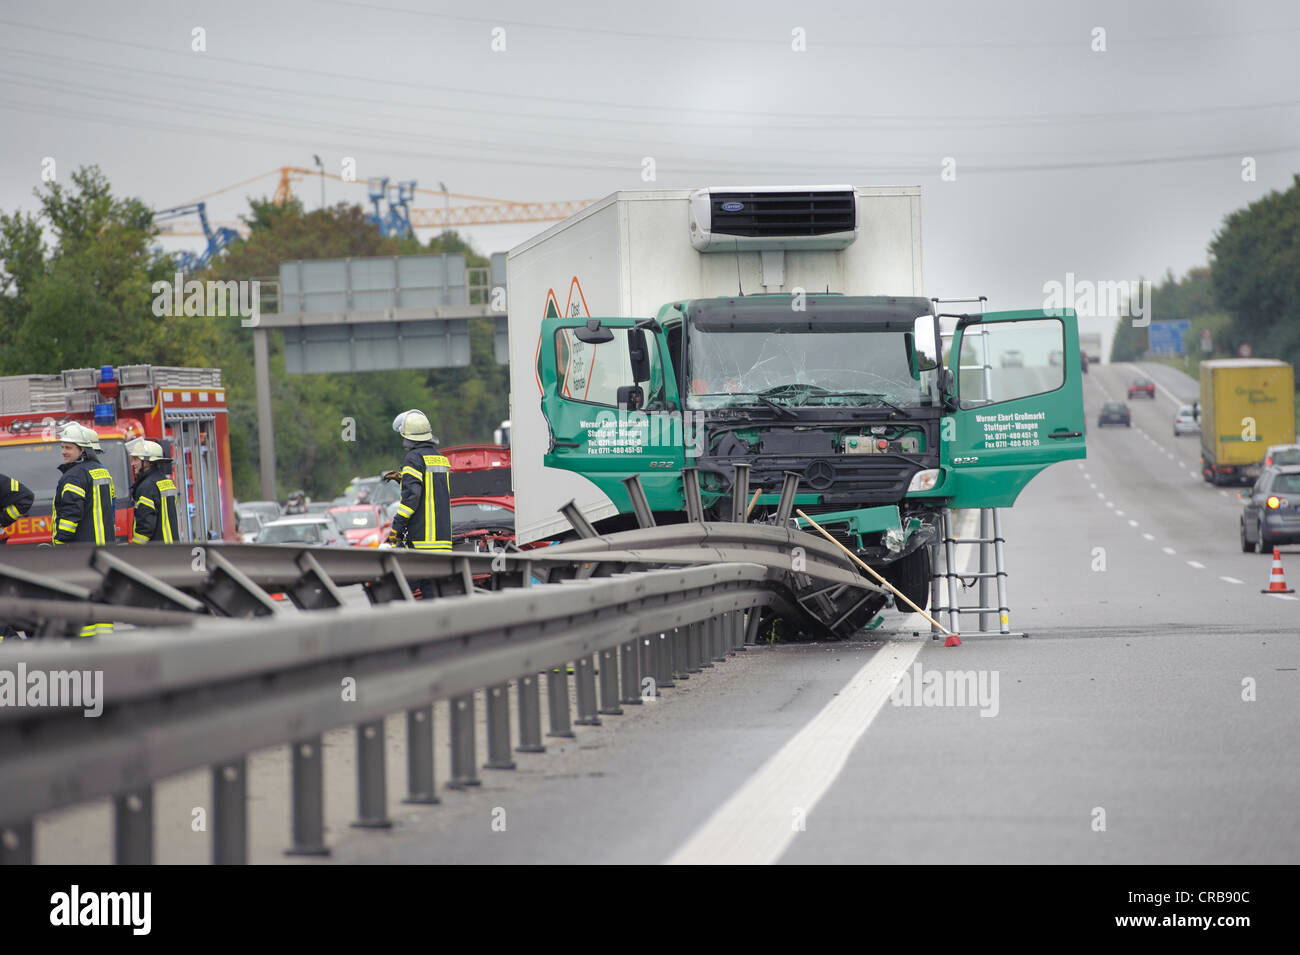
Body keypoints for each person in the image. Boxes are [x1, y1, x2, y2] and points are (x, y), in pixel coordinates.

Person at [52, 423, 115, 638]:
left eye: (68, 447)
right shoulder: (103, 472)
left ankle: (86, 644)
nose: (63, 452)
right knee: (101, 596)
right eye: (63, 447)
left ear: (82, 450)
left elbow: (70, 516)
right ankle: (105, 641)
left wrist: (59, 544)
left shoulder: (74, 476)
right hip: (104, 550)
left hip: (81, 551)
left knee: (83, 596)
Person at [388, 409, 451, 554]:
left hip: (422, 542)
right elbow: (430, 488)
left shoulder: (413, 458)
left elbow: (412, 497)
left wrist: (396, 526)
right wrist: (403, 478)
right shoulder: (441, 458)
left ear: (408, 437)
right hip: (444, 541)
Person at [126, 439, 179, 544]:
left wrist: (136, 548)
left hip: (156, 551)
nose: (133, 463)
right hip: (173, 547)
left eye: (136, 459)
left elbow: (146, 526)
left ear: (147, 462)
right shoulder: (166, 481)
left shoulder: (147, 487)